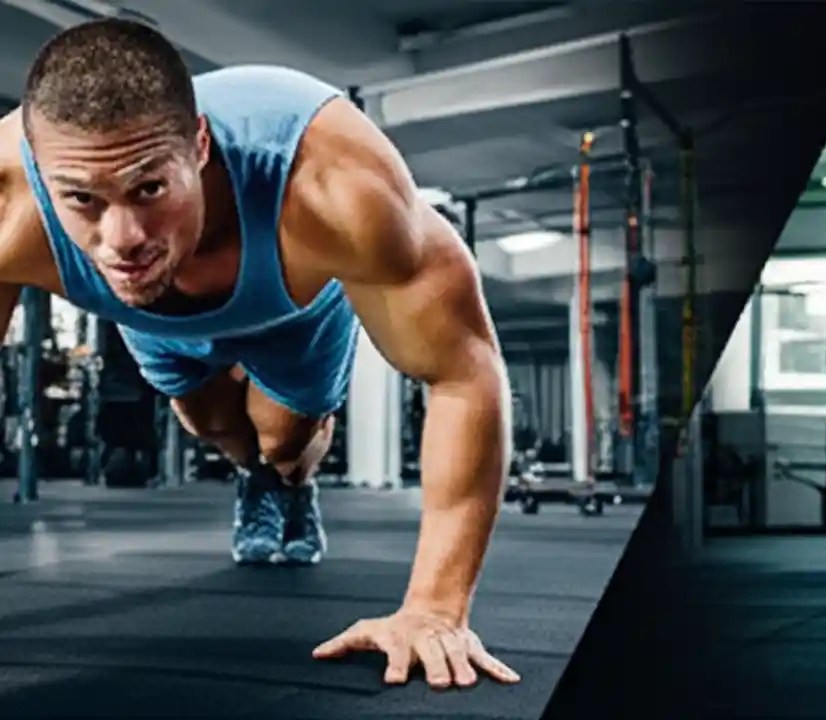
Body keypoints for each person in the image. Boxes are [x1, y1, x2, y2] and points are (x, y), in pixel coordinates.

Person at [1, 19, 519, 689]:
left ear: (199, 143)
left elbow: (462, 373)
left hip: (293, 307)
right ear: (40, 173)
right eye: (82, 199)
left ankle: (294, 488)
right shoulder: (9, 206)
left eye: (150, 189)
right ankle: (253, 480)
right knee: (214, 425)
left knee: (283, 440)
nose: (122, 238)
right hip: (150, 316)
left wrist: (435, 611)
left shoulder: (334, 186)